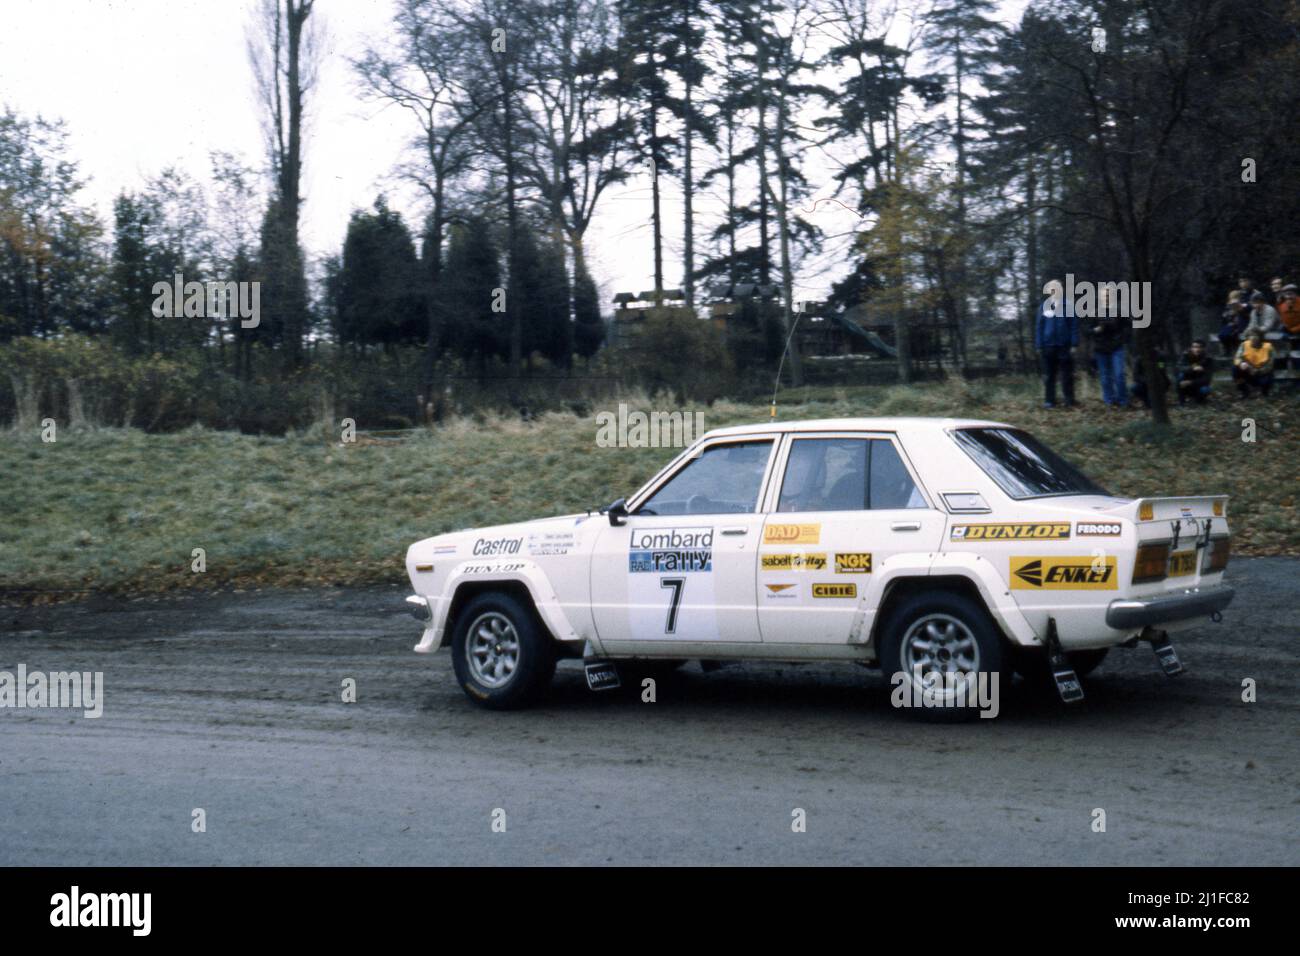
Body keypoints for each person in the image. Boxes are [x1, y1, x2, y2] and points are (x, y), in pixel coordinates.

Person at [1035, 287, 1078, 408]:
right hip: (1048, 347)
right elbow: (1039, 327)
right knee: (1049, 375)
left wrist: (1074, 344)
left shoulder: (1068, 305)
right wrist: (1038, 345)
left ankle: (1069, 401)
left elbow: (1074, 325)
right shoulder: (1043, 306)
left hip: (1065, 346)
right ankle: (1049, 401)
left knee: (1067, 375)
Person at [1088, 305, 1128, 407]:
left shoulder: (1120, 311)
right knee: (1105, 377)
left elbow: (1127, 327)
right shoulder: (1095, 313)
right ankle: (1109, 401)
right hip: (1101, 349)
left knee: (1119, 375)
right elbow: (1087, 331)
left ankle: (1123, 401)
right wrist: (1095, 330)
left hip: (1117, 347)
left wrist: (1122, 338)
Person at [1233, 330, 1275, 397]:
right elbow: (1237, 358)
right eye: (1251, 336)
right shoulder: (1244, 344)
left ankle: (1265, 392)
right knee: (1235, 369)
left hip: (1262, 372)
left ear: (1261, 338)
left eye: (1256, 335)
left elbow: (1270, 365)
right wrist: (1241, 363)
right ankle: (1244, 391)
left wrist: (1258, 371)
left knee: (1267, 379)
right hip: (1249, 371)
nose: (1253, 338)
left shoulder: (1268, 347)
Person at [1176, 340, 1214, 405]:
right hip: (1186, 381)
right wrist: (1192, 368)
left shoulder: (1208, 359)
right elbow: (1179, 367)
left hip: (1198, 384)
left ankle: (1199, 400)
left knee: (1205, 389)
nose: (1197, 349)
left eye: (1200, 347)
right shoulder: (1186, 355)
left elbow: (1207, 379)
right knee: (1180, 375)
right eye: (1194, 347)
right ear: (1191, 348)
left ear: (1203, 348)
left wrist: (1190, 382)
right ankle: (1181, 400)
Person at [1218, 290, 1250, 358]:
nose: (1233, 299)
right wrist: (1228, 314)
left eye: (1235, 297)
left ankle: (1235, 351)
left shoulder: (1245, 305)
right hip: (1231, 325)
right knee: (1222, 334)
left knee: (1234, 334)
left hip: (1241, 325)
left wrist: (1239, 309)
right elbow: (1224, 317)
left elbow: (1246, 316)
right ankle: (1227, 350)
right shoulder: (1228, 306)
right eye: (1232, 297)